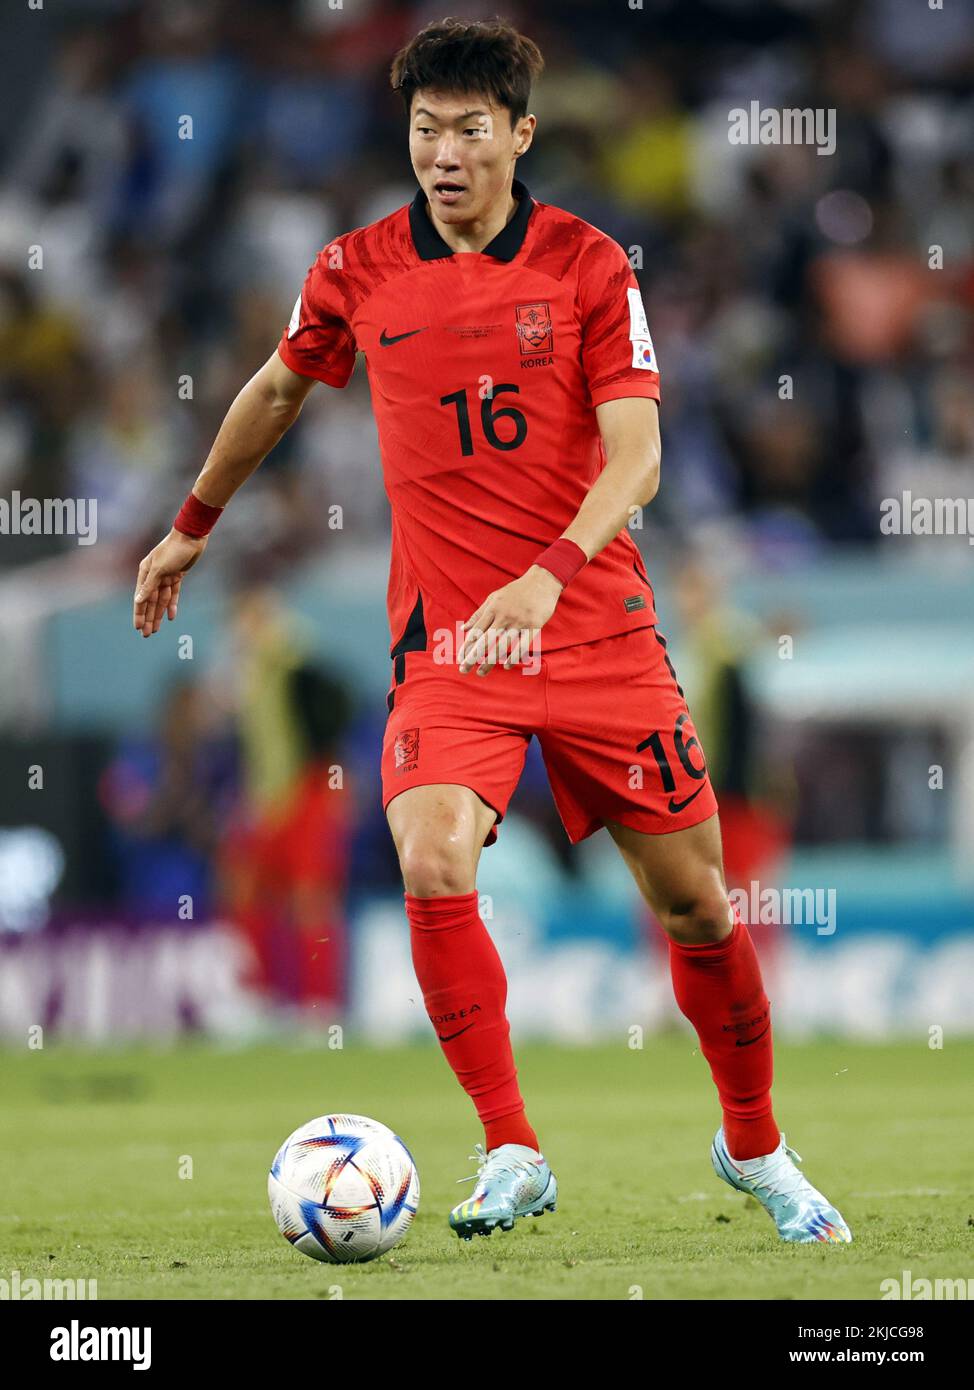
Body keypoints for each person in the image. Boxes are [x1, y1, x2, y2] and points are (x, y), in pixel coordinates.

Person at [133, 18, 850, 1246]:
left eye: (471, 129)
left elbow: (640, 458)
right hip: (451, 651)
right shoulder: (354, 269)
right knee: (428, 860)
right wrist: (191, 521)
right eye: (425, 131)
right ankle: (511, 1146)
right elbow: (273, 389)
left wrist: (549, 572)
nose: (445, 153)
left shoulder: (586, 266)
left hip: (598, 634)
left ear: (521, 133)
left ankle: (753, 1143)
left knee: (697, 912)